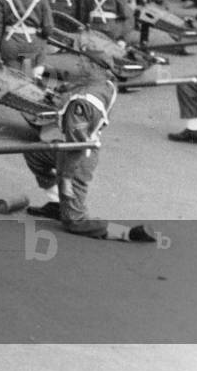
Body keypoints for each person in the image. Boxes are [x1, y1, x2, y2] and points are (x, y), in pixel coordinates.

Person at [23, 60, 156, 242]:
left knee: (75, 221)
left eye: (87, 64)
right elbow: (75, 83)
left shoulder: (80, 104)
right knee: (34, 153)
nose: (81, 65)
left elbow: (75, 146)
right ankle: (57, 203)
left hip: (77, 157)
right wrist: (61, 90)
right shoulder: (107, 85)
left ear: (96, 69)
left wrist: (67, 178)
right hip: (80, 146)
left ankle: (128, 234)